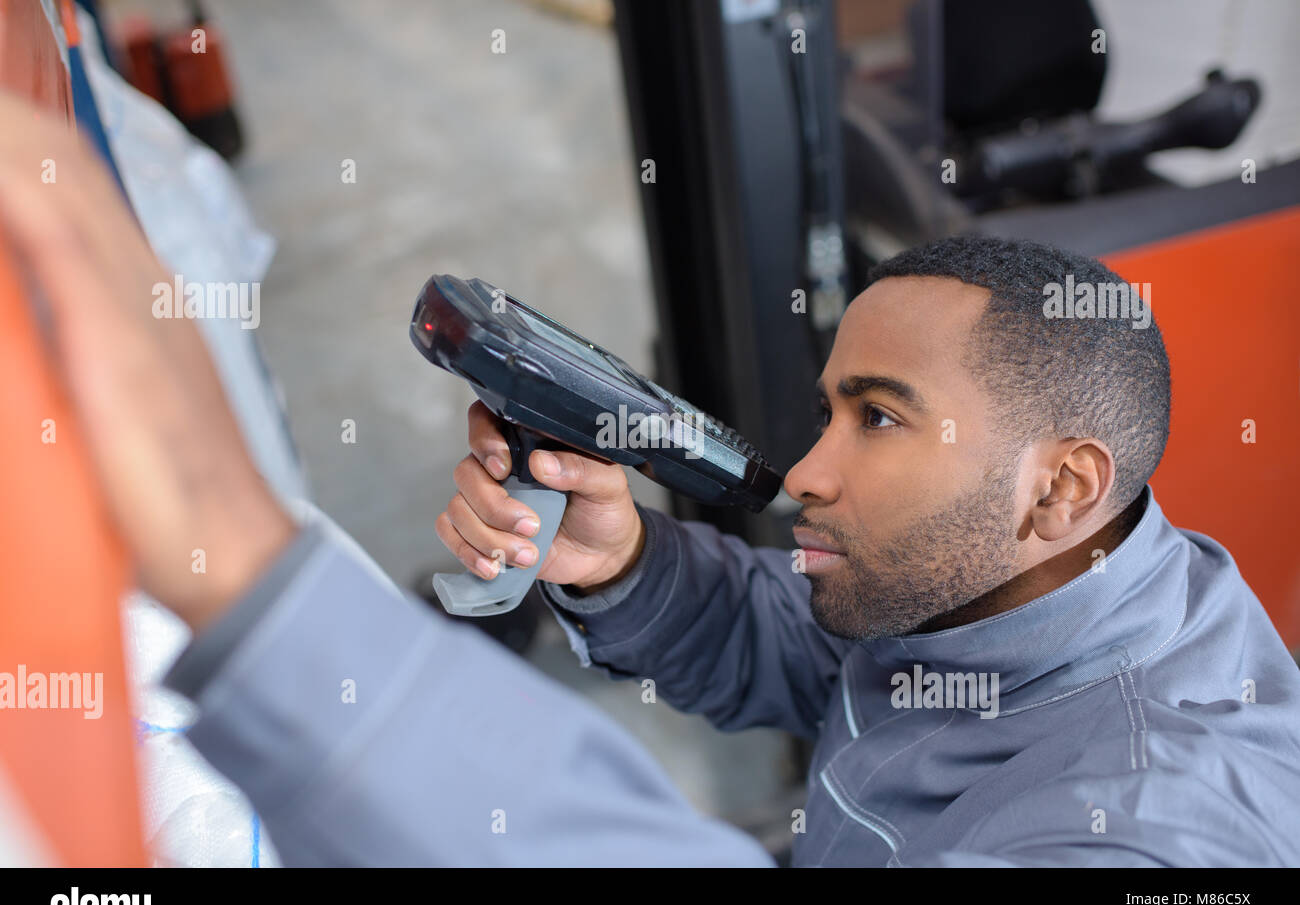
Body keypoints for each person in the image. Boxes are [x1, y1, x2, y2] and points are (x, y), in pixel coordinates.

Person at [6, 93, 1297, 866]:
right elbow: (808, 644)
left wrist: (252, 576)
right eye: (830, 408)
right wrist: (623, 565)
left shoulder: (1158, 834)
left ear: (1061, 485)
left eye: (882, 419)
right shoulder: (999, 578)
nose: (806, 470)